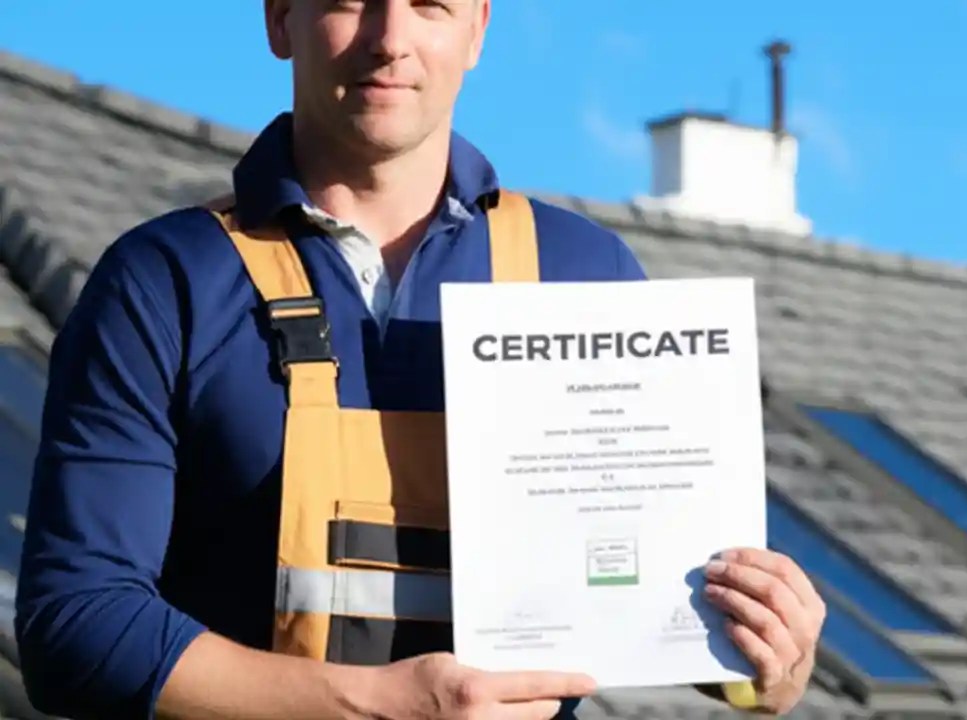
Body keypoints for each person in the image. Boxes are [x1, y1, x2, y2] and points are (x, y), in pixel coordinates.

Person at [15, 1, 826, 718]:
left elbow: (669, 610)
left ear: (477, 28)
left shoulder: (584, 273)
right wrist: (374, 709)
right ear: (278, 18)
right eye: (350, 1)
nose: (389, 39)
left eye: (430, 5)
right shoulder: (165, 281)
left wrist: (766, 661)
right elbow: (77, 625)